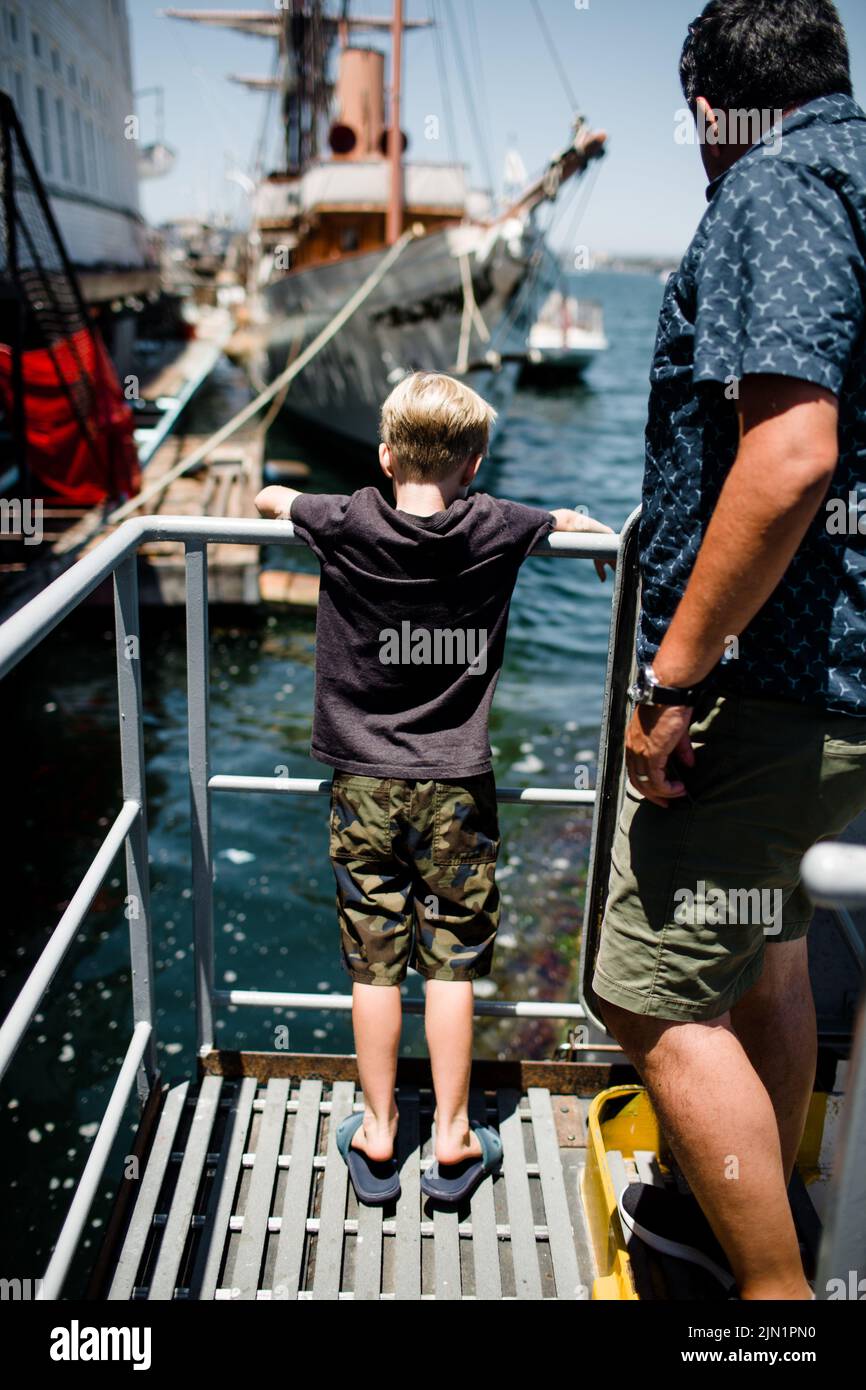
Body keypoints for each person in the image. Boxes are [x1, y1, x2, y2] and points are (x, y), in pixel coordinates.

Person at [592, 0, 866, 1300]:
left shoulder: (775, 180)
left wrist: (671, 679)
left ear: (708, 103)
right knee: (766, 944)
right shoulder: (853, 168)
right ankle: (776, 1209)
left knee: (645, 995)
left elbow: (790, 451)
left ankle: (772, 1295)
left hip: (774, 688)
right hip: (833, 688)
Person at [256, 370, 612, 1206]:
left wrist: (276, 499)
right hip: (456, 781)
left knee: (373, 964)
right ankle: (453, 1139)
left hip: (362, 783)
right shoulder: (496, 524)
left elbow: (278, 497)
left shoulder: (342, 518)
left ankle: (379, 1134)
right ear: (476, 462)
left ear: (384, 455)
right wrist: (572, 523)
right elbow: (553, 518)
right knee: (451, 962)